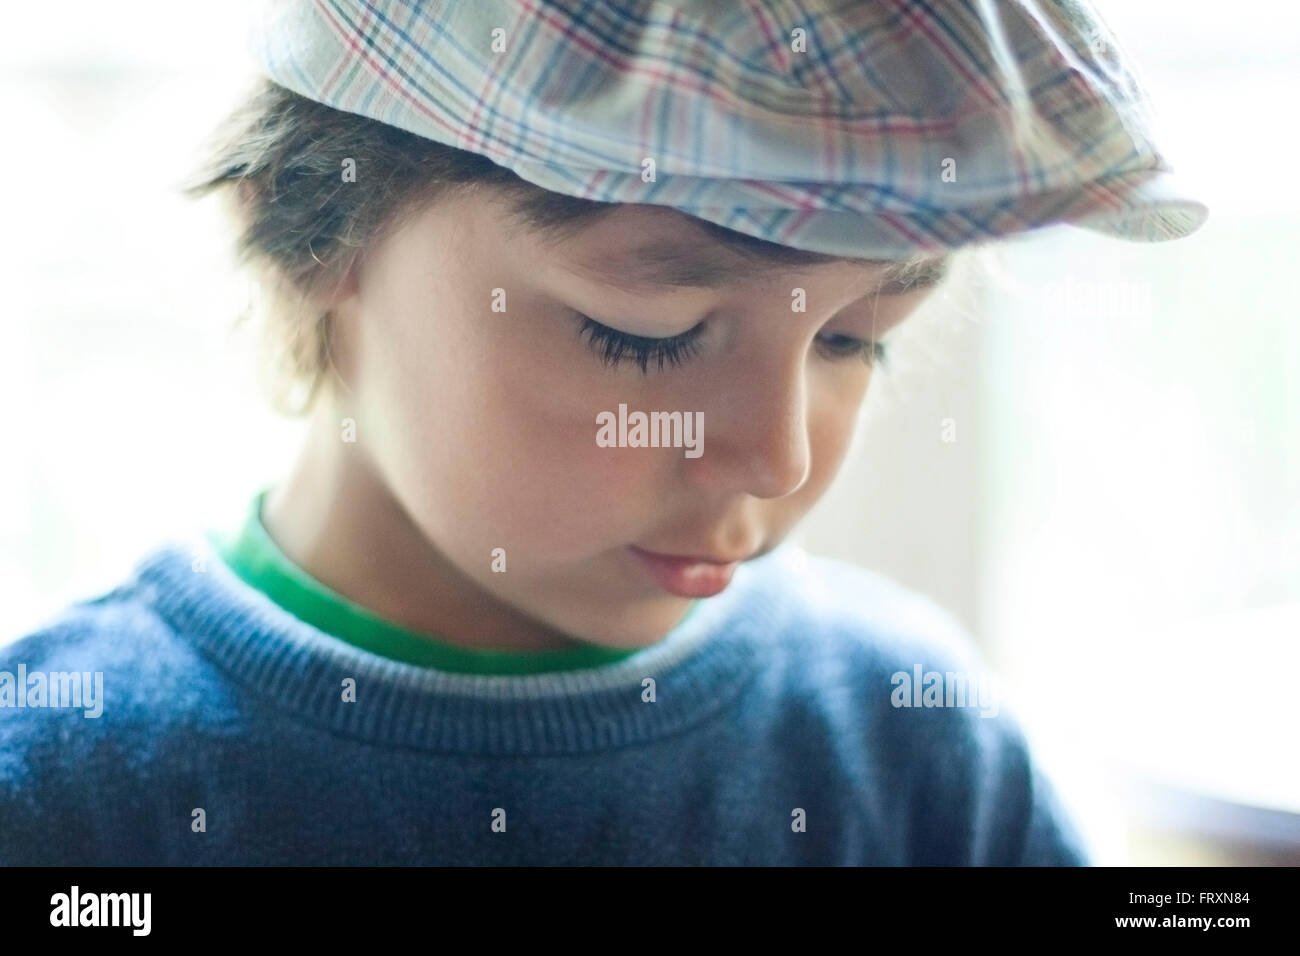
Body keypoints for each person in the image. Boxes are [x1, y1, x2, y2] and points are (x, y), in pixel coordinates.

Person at [0, 0, 1205, 864]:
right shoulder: (70, 784)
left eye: (857, 337)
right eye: (649, 333)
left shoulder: (912, 745)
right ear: (314, 219)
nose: (778, 458)